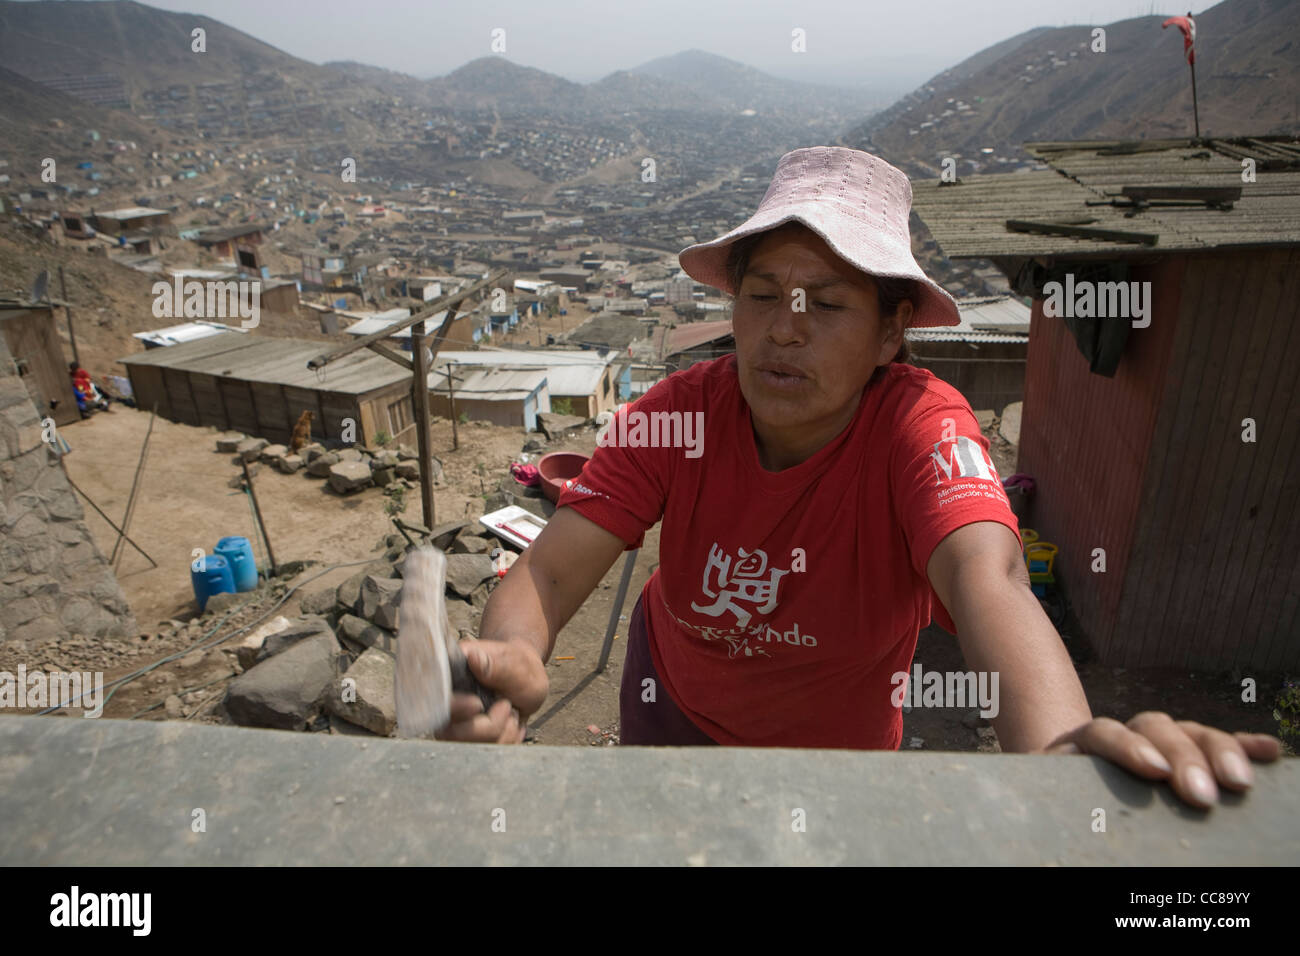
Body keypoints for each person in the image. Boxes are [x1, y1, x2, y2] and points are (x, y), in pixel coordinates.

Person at [440, 146, 1279, 810]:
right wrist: (513, 655)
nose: (784, 332)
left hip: (837, 756)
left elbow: (994, 583)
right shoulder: (681, 412)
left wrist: (1062, 760)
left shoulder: (919, 428)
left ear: (890, 333)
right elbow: (550, 568)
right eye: (763, 294)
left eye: (829, 305)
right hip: (674, 710)